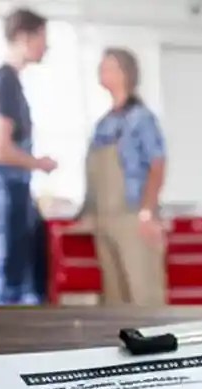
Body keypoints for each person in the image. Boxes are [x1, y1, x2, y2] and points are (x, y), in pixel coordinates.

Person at [70, 48, 168, 305]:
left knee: (144, 297)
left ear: (126, 73)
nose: (101, 70)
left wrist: (147, 212)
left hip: (132, 218)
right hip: (104, 220)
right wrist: (87, 214)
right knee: (114, 300)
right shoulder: (104, 124)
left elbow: (157, 164)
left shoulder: (141, 118)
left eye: (109, 66)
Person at [0, 7, 57, 305]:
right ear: (23, 37)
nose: (46, 46)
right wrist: (39, 163)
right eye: (42, 38)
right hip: (3, 196)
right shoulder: (2, 83)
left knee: (21, 282)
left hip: (15, 195)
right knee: (3, 285)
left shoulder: (12, 84)